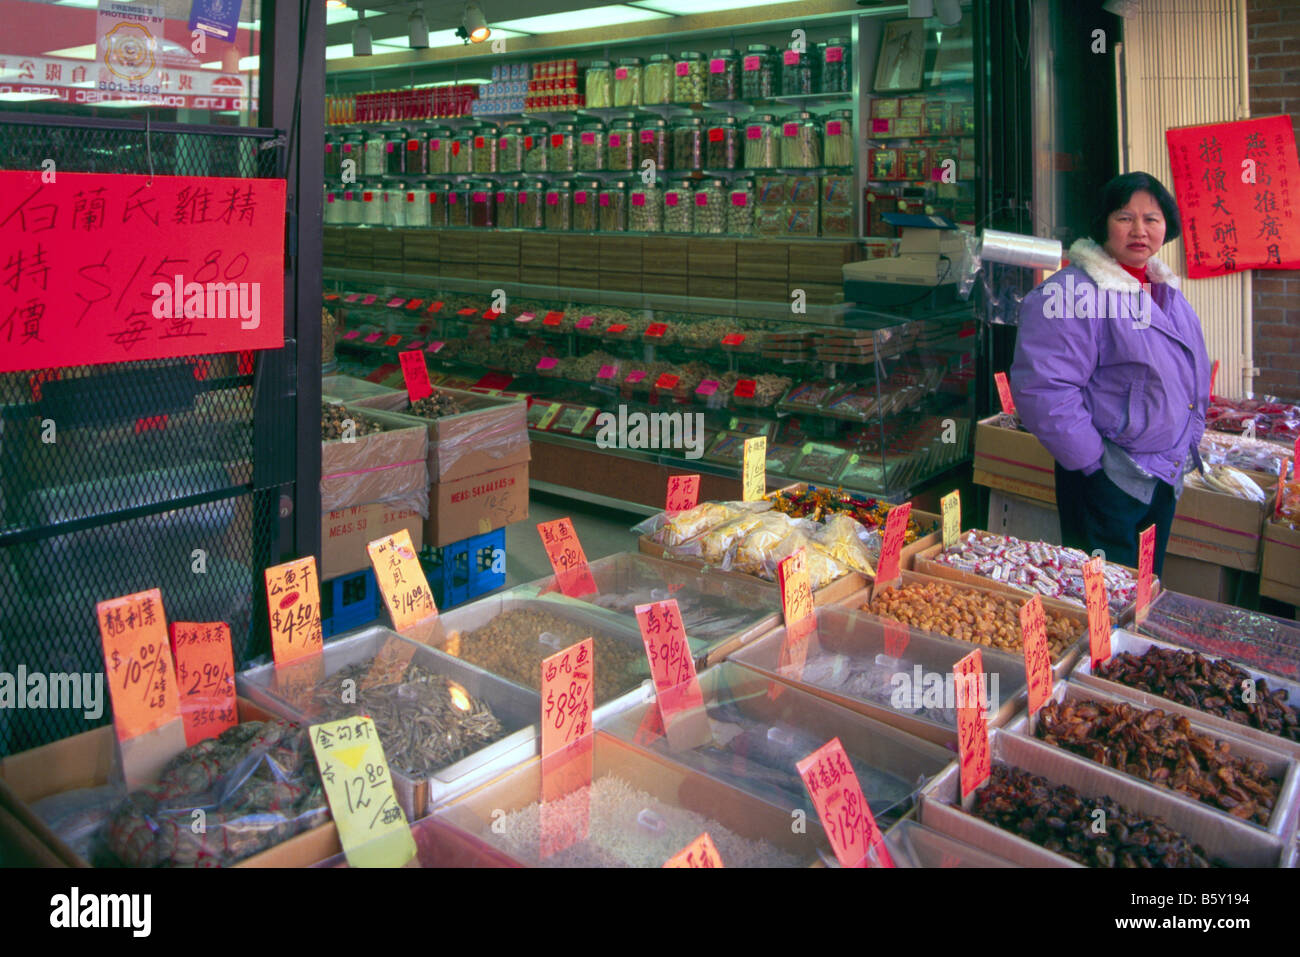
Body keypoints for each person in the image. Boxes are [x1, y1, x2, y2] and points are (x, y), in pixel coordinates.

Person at [1009, 171, 1211, 574]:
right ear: (1103, 223)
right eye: (1125, 217)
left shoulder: (1164, 288)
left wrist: (1190, 434)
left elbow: (1192, 370)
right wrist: (1094, 465)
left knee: (1141, 587)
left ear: (1165, 226)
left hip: (1163, 474)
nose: (1139, 230)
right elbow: (1044, 389)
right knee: (1101, 600)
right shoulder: (1069, 293)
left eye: (1151, 218)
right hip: (1108, 475)